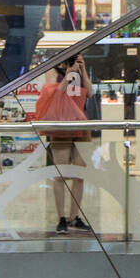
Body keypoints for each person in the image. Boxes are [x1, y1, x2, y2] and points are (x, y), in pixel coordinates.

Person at [42, 54, 93, 234]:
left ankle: (74, 217)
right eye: (72, 60)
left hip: (81, 125)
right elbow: (54, 94)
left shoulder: (80, 72)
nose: (74, 64)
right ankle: (61, 218)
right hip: (60, 126)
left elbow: (90, 93)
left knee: (80, 174)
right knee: (60, 174)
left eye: (78, 60)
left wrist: (82, 70)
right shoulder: (53, 72)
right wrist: (68, 74)